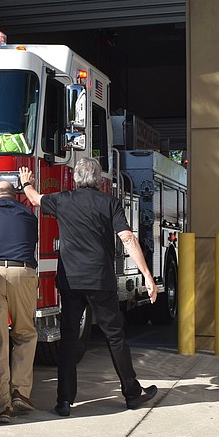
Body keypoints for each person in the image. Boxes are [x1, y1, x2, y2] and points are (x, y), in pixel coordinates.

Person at [19, 159, 158, 416]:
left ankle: (64, 401)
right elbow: (127, 237)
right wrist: (147, 275)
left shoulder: (62, 199)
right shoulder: (109, 203)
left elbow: (35, 198)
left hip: (70, 282)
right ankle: (132, 393)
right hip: (100, 280)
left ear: (75, 178)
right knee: (114, 337)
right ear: (97, 179)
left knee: (69, 339)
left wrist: (27, 182)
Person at [0, 181, 38, 424]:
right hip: (23, 273)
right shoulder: (29, 214)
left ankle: (2, 407)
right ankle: (21, 391)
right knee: (25, 333)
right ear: (14, 196)